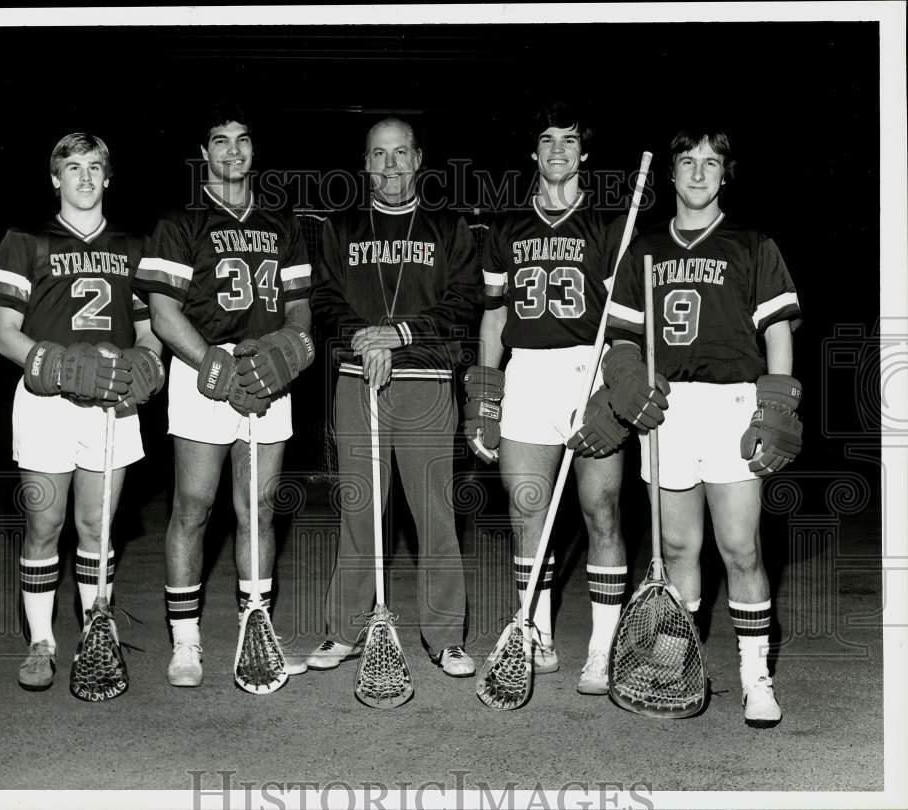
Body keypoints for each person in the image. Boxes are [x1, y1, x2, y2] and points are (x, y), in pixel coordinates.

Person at [606, 128, 802, 727]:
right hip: (668, 407)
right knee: (675, 546)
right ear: (671, 173)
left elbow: (777, 331)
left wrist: (776, 404)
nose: (698, 173)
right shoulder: (643, 247)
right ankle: (678, 659)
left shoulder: (752, 242)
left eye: (710, 163)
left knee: (740, 546)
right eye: (687, 162)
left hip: (732, 403)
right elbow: (621, 337)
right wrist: (623, 377)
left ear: (726, 173)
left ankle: (754, 674)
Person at [0, 133, 166, 691]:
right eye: (72, 167)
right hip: (46, 402)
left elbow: (152, 331)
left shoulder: (134, 246)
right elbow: (4, 333)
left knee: (95, 524)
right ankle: (41, 641)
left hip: (112, 401)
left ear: (109, 177)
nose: (84, 177)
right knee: (45, 524)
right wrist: (57, 364)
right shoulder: (25, 240)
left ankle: (95, 631)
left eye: (95, 167)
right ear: (54, 178)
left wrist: (144, 365)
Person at [132, 105, 315, 687]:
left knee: (258, 508)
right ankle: (185, 642)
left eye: (242, 141)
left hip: (266, 370)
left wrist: (288, 349)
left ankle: (254, 632)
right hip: (203, 369)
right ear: (204, 153)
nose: (233, 151)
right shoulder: (181, 221)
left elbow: (300, 306)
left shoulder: (283, 222)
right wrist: (211, 364)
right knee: (193, 506)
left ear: (253, 152)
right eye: (220, 141)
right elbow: (162, 311)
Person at [465, 102, 631, 694]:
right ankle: (535, 633)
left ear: (584, 153)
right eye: (546, 140)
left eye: (569, 140)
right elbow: (492, 322)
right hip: (528, 374)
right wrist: (487, 394)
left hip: (589, 370)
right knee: (527, 508)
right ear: (533, 153)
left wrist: (614, 389)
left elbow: (627, 324)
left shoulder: (611, 225)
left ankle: (602, 650)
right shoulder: (506, 229)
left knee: (601, 509)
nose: (557, 150)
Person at [309, 117, 482, 677]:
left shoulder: (448, 228)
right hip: (357, 381)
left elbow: (464, 303)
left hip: (428, 385)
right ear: (365, 164)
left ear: (418, 159)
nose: (390, 166)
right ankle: (347, 631)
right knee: (362, 508)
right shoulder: (340, 229)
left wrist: (400, 336)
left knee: (433, 512)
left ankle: (446, 636)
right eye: (378, 155)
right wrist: (368, 340)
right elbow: (326, 299)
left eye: (400, 153)